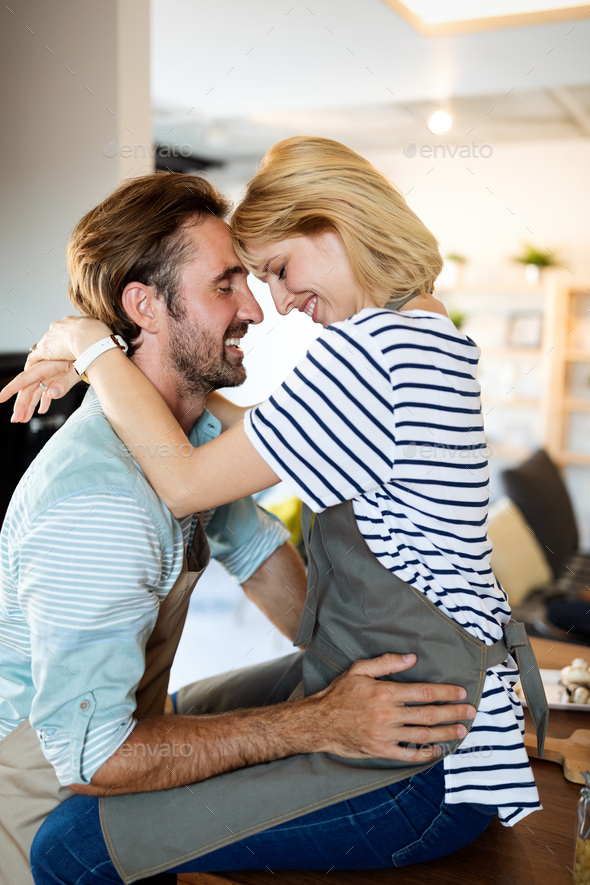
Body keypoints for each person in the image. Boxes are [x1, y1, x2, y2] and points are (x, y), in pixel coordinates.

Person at [3, 138, 546, 883]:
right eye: (235, 281)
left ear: (337, 221)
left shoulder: (368, 354)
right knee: (147, 757)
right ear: (144, 305)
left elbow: (202, 487)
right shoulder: (425, 335)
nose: (267, 306)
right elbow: (242, 467)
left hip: (433, 744)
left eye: (271, 271)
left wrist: (93, 349)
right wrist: (321, 713)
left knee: (102, 815)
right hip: (50, 760)